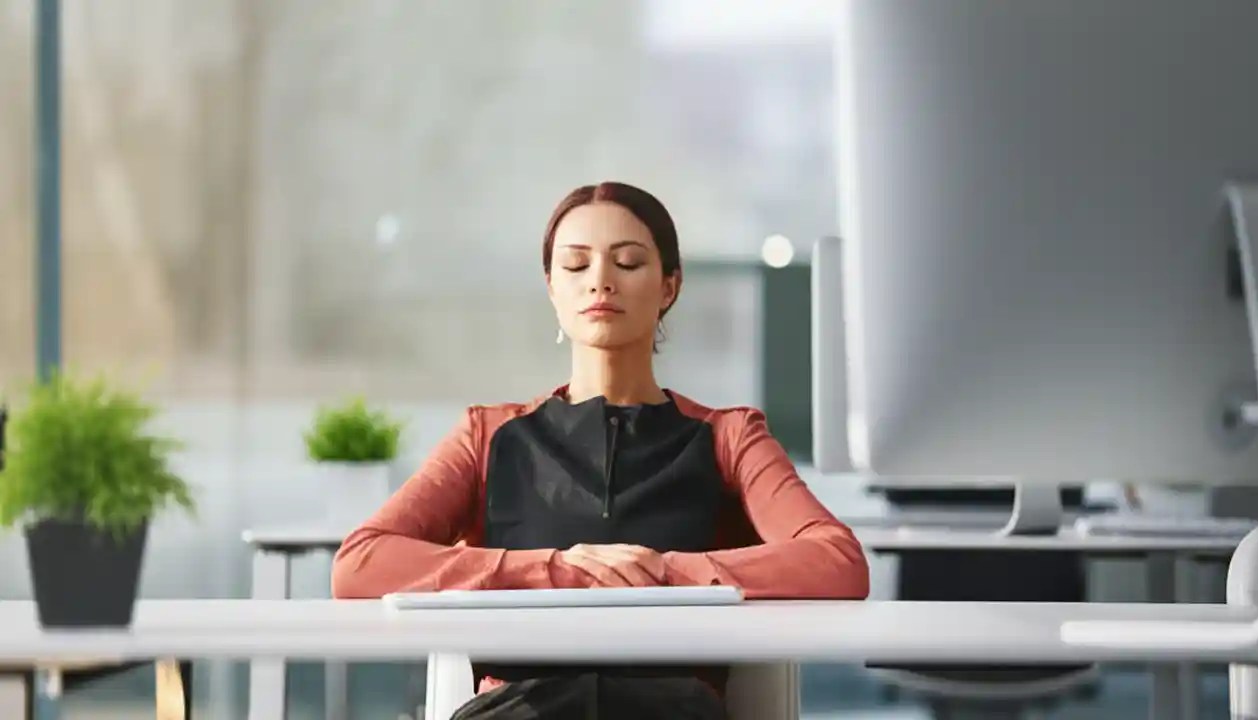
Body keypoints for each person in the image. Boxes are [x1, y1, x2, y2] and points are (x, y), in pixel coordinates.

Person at [331, 181, 870, 719]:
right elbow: (360, 563)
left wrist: (661, 571)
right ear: (551, 288)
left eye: (629, 263)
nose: (601, 282)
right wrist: (555, 569)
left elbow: (837, 562)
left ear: (669, 287)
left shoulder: (730, 435)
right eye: (576, 266)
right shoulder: (487, 434)